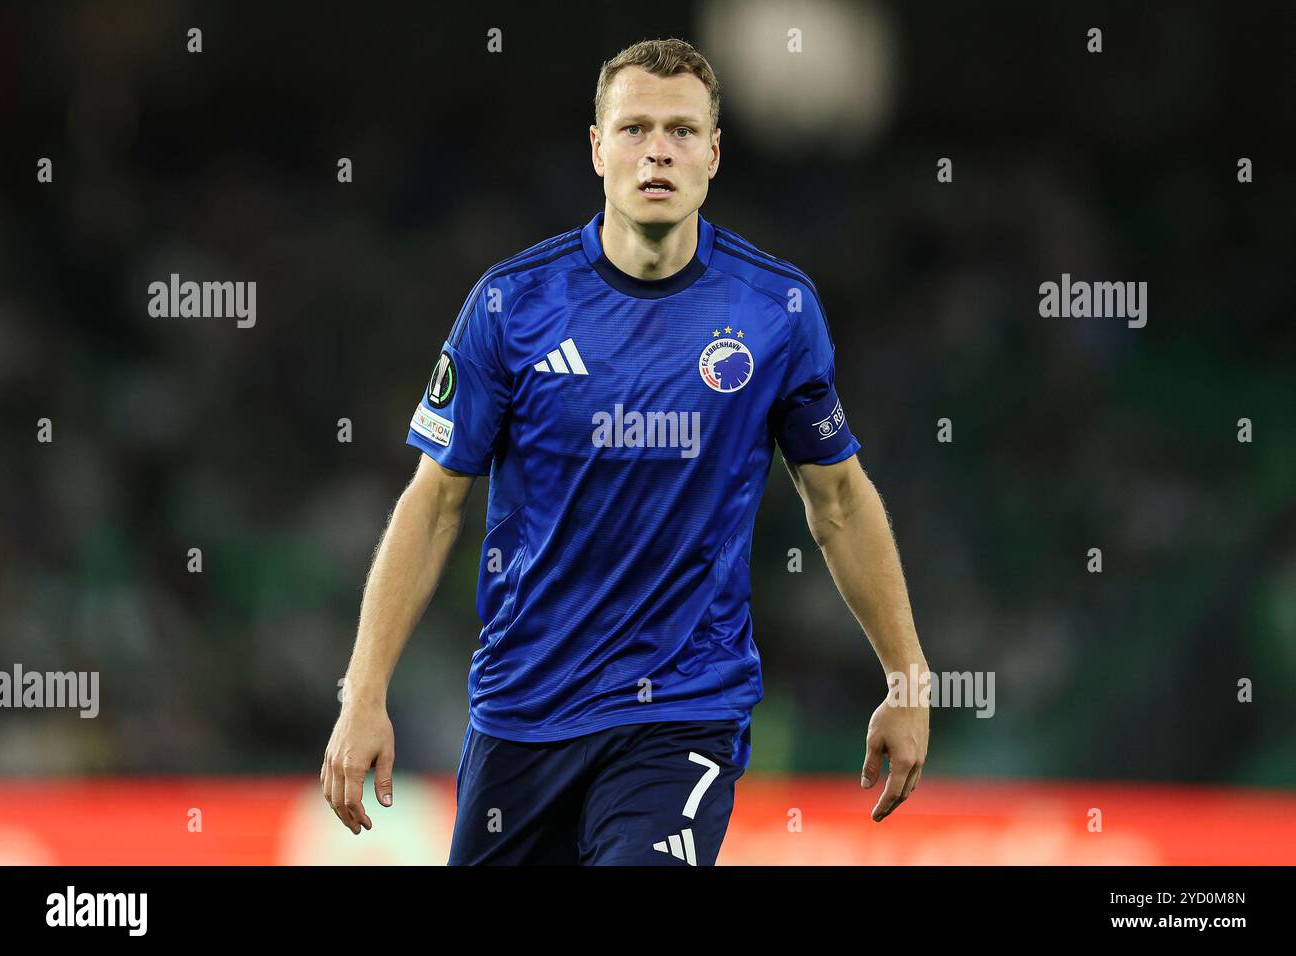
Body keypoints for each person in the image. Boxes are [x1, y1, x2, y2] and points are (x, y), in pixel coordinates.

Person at [321, 37, 930, 865]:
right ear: (599, 147)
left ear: (714, 154)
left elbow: (840, 500)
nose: (658, 150)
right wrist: (364, 693)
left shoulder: (775, 311)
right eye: (635, 127)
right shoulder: (510, 307)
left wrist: (906, 677)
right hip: (523, 712)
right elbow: (433, 503)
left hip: (683, 712)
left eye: (682, 131)